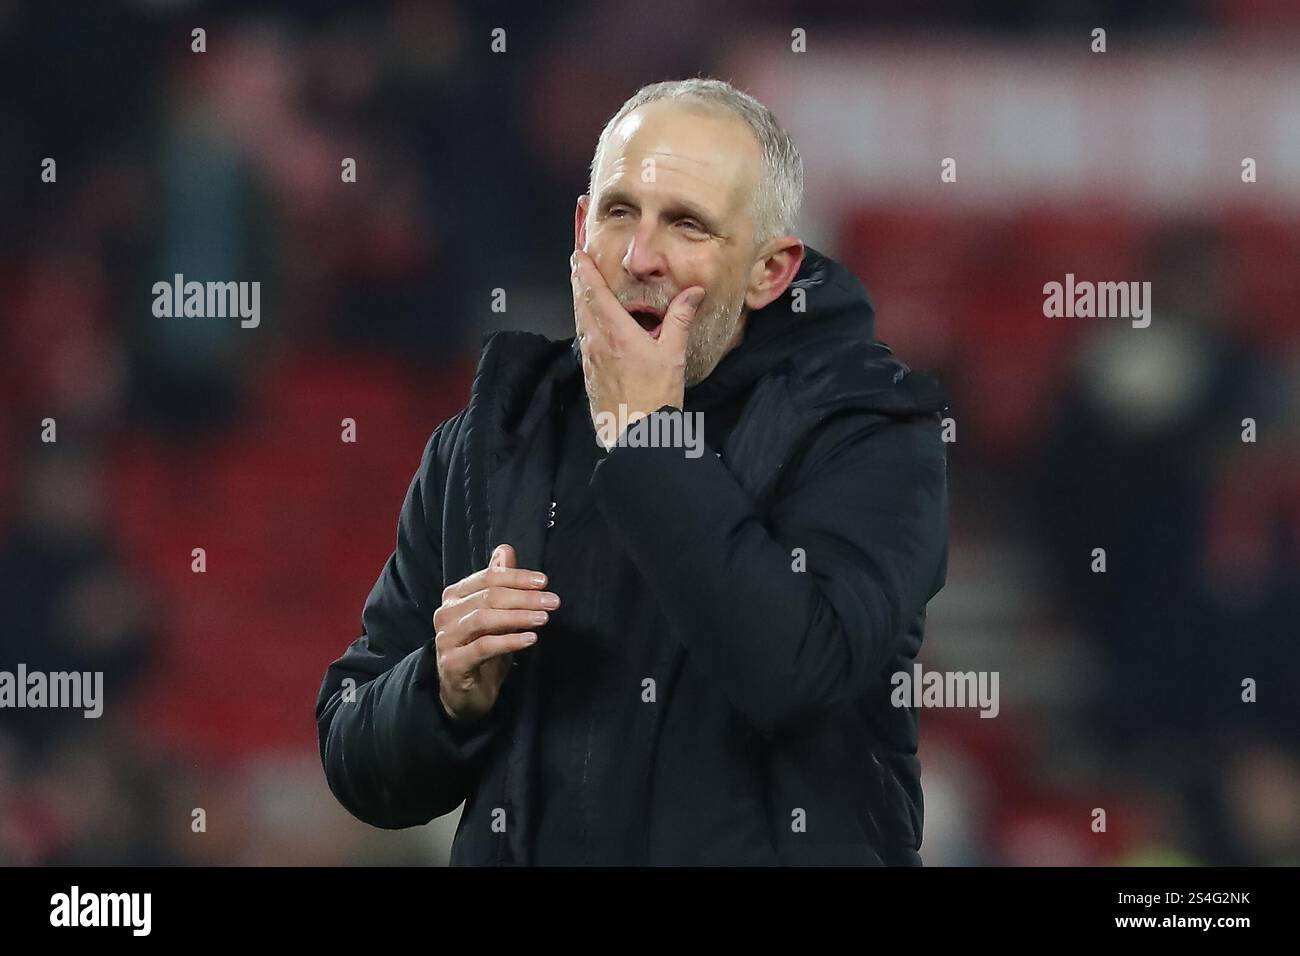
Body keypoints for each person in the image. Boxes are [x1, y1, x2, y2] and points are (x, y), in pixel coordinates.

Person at [315, 78, 950, 865]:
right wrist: (442, 694)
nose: (641, 256)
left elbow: (795, 670)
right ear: (582, 228)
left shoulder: (869, 433)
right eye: (619, 212)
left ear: (770, 270)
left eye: (687, 224)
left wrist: (647, 437)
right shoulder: (490, 441)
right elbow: (351, 749)